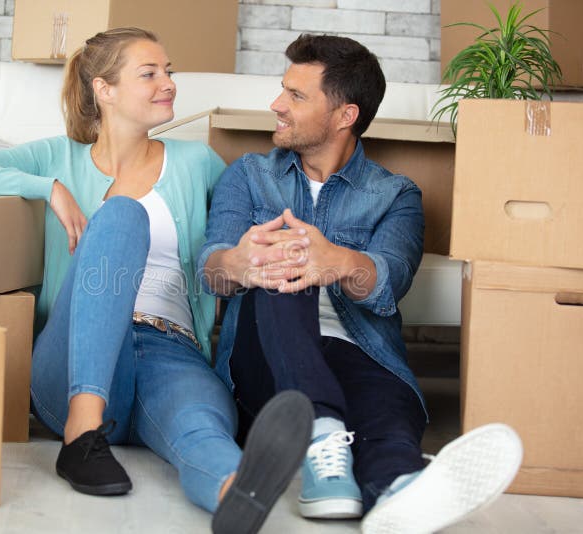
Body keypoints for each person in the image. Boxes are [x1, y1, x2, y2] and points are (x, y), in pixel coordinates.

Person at [0, 27, 312, 534]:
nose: (169, 83)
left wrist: (255, 248)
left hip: (170, 349)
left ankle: (235, 490)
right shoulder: (55, 157)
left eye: (169, 71)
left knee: (204, 430)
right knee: (123, 216)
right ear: (103, 90)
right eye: (149, 73)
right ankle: (81, 433)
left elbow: (239, 232)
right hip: (71, 358)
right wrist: (49, 188)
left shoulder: (196, 163)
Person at [199, 33, 523, 533]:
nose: (276, 106)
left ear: (344, 115)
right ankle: (322, 434)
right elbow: (212, 271)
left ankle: (399, 491)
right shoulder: (248, 176)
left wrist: (340, 261)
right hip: (268, 358)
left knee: (386, 420)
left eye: (296, 96)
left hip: (361, 349)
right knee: (285, 265)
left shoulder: (396, 194)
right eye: (283, 90)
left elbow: (390, 281)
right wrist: (240, 262)